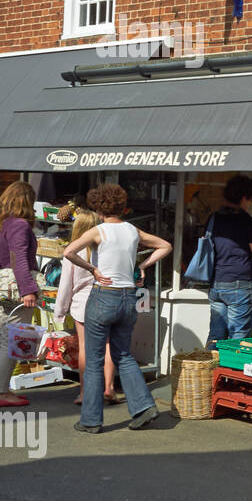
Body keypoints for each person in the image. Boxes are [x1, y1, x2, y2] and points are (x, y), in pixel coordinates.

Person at [62, 183, 173, 434]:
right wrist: (143, 265)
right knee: (123, 355)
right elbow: (165, 245)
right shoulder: (133, 231)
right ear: (122, 207)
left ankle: (91, 420)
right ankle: (144, 407)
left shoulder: (98, 231)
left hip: (103, 297)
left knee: (94, 360)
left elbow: (68, 252)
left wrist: (93, 269)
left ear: (99, 209)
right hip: (128, 298)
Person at [0, 181, 40, 408]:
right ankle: (1, 392)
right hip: (14, 292)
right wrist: (28, 289)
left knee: (1, 341)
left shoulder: (0, 224)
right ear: (27, 201)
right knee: (10, 341)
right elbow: (19, 259)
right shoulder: (20, 225)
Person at [54, 209, 122, 407]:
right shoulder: (106, 250)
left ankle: (84, 392)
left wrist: (60, 311)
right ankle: (109, 388)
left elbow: (66, 285)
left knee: (85, 348)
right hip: (107, 300)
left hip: (82, 304)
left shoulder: (73, 252)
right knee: (109, 345)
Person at [205, 175, 252, 347]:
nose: (251, 203)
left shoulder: (213, 218)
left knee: (215, 334)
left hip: (217, 283)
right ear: (244, 197)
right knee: (238, 335)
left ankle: (209, 368)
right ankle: (231, 372)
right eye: (251, 199)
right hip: (239, 284)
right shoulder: (246, 221)